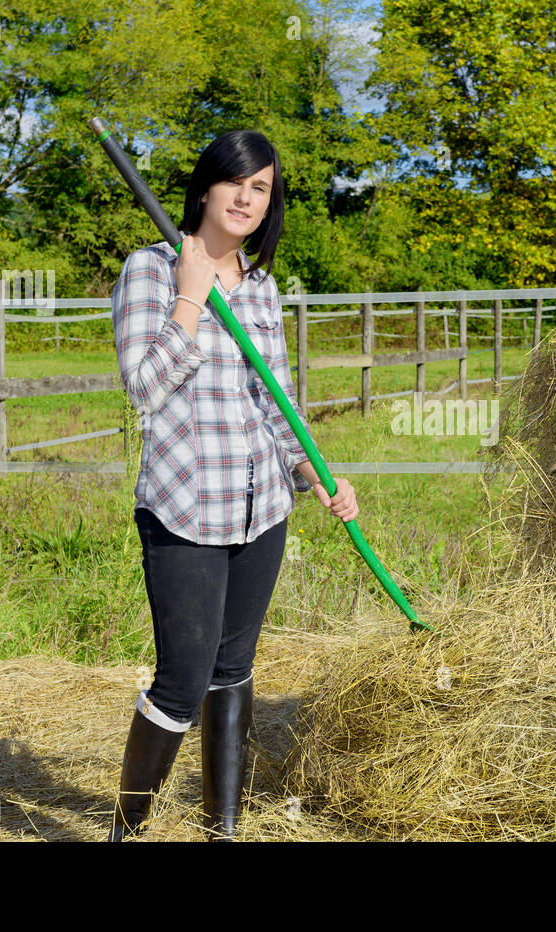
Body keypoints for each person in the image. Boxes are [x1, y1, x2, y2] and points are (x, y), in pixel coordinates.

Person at [107, 129, 358, 841]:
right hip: (187, 509)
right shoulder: (153, 271)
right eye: (236, 181)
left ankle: (224, 830)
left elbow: (277, 405)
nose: (247, 197)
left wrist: (317, 473)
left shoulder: (262, 287)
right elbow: (145, 391)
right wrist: (190, 300)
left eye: (262, 188)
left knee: (233, 671)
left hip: (261, 510)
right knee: (181, 685)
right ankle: (126, 832)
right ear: (207, 187)